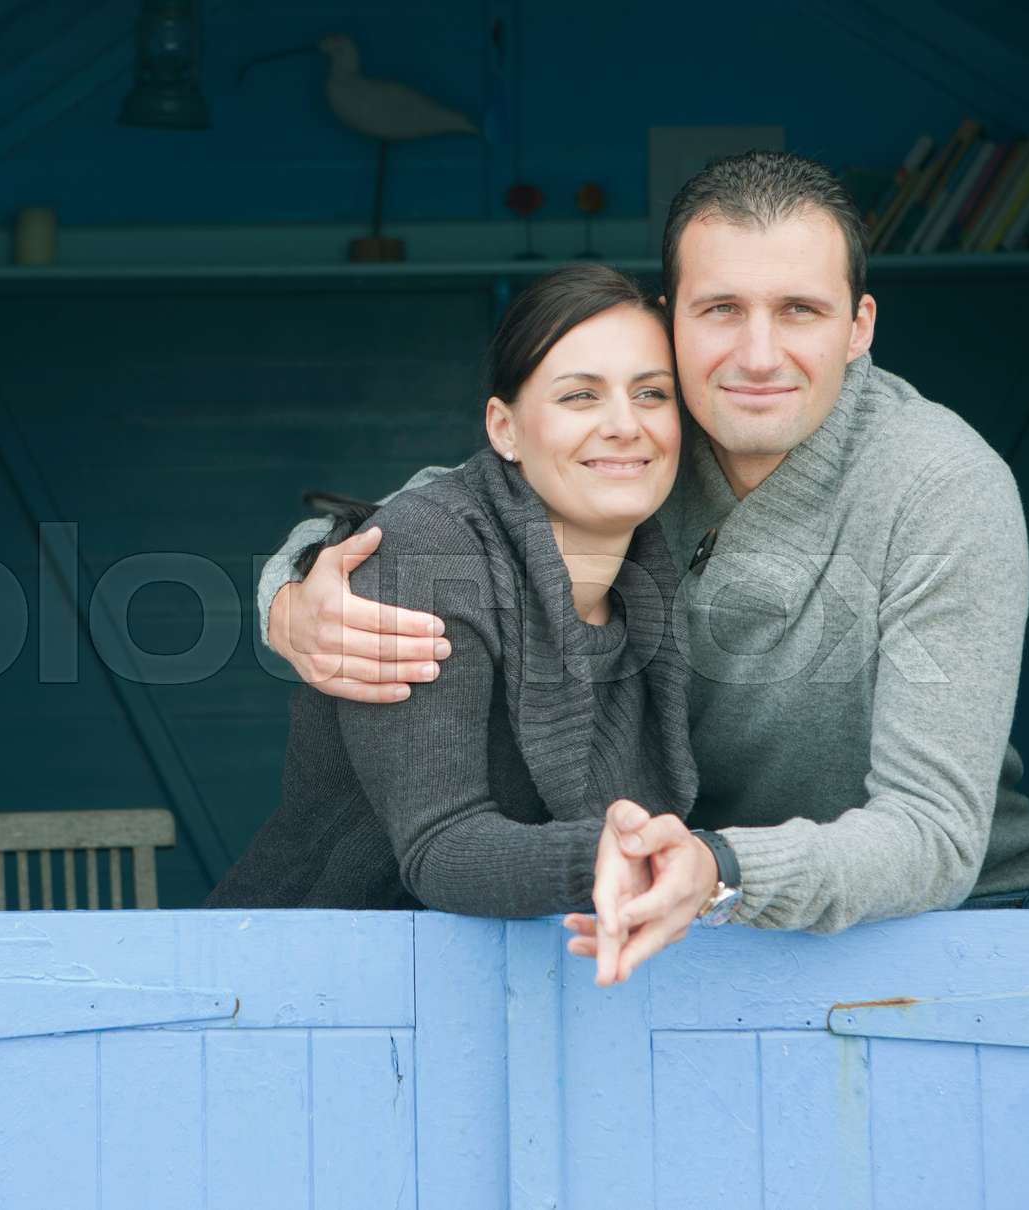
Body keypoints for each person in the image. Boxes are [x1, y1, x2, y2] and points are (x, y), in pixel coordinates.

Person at [255, 151, 1029, 983]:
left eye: (799, 311)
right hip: (678, 903)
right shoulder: (642, 434)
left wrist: (723, 868)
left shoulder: (943, 486)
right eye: (721, 310)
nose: (756, 356)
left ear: (858, 327)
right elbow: (448, 498)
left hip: (935, 928)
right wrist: (287, 594)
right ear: (673, 317)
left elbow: (933, 829)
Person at [208, 265, 703, 986]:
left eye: (651, 393)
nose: (625, 424)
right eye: (579, 396)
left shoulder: (658, 575)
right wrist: (615, 856)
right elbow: (440, 846)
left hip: (508, 995)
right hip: (299, 987)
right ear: (505, 428)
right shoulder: (429, 549)